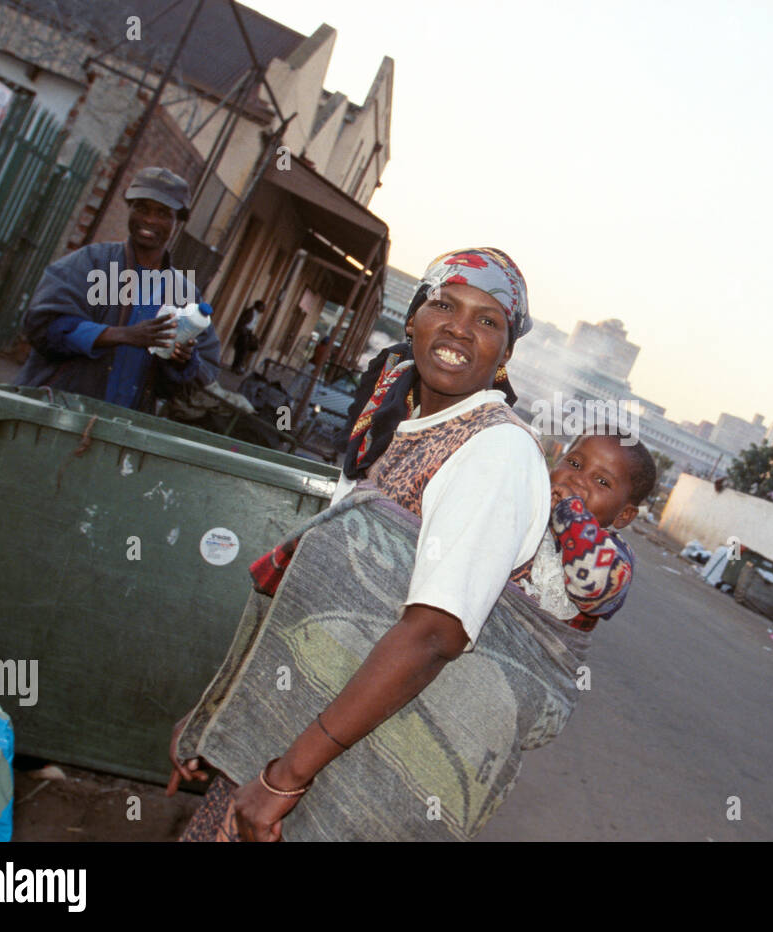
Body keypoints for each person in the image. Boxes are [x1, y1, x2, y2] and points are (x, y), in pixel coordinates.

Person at [171, 247, 548, 842]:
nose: (458, 326)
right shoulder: (405, 427)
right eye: (444, 304)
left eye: (487, 319)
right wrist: (225, 720)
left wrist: (285, 780)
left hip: (354, 764)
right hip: (297, 732)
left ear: (505, 352)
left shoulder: (496, 451)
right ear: (413, 318)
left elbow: (432, 635)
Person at [10, 166, 221, 411]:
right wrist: (122, 335)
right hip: (57, 415)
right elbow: (42, 325)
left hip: (121, 431)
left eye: (163, 213)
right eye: (141, 208)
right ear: (129, 209)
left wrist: (182, 361)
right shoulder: (91, 263)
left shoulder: (184, 294)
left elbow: (204, 371)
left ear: (178, 221)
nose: (150, 220)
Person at [546, 432, 656, 630]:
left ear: (624, 514)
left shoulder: (614, 554)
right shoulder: (530, 512)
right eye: (574, 463)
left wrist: (571, 515)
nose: (578, 479)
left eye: (602, 481)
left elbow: (596, 587)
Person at [230, 300, 263, 374]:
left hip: (249, 332)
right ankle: (236, 367)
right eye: (262, 307)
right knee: (241, 350)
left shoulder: (256, 314)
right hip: (244, 332)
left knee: (244, 351)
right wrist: (243, 331)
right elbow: (242, 322)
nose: (263, 309)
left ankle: (238, 366)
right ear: (257, 306)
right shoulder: (250, 312)